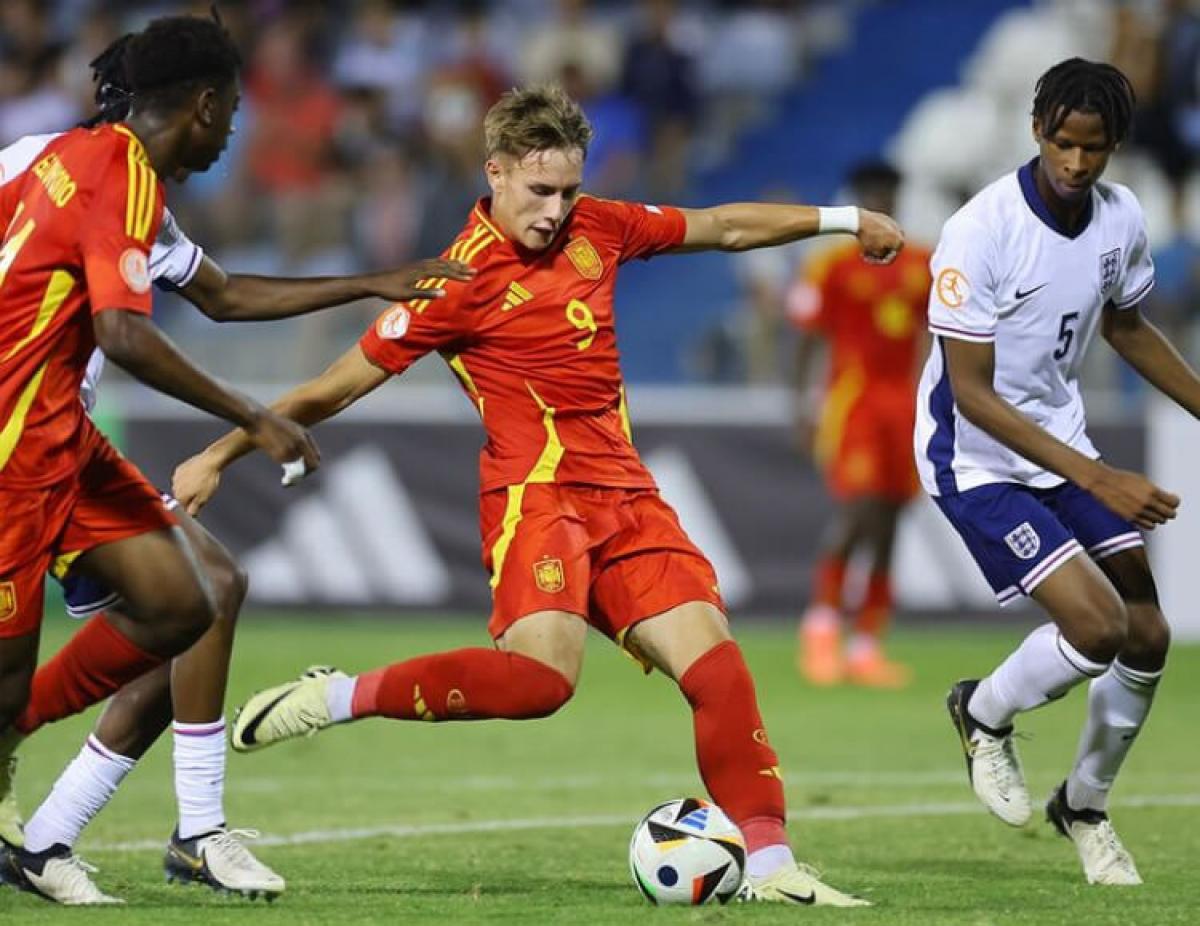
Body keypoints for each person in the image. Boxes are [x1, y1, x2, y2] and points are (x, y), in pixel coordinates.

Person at [174, 84, 903, 907]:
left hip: (627, 496)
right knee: (542, 684)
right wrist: (220, 451)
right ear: (495, 173)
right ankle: (336, 696)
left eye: (568, 191)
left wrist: (843, 221)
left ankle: (772, 868)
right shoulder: (454, 281)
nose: (556, 211)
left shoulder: (603, 226)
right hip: (536, 500)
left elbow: (723, 227)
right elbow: (332, 388)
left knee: (719, 666)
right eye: (539, 191)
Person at [0, 17, 468, 906]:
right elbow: (123, 333)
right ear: (206, 105)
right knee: (17, 685)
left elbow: (219, 294)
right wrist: (254, 415)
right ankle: (35, 778)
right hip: (13, 458)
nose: (232, 136)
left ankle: (171, 830)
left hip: (61, 437)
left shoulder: (54, 155)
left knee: (202, 591)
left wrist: (367, 282)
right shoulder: (119, 179)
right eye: (233, 115)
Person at [914, 58, 1196, 885]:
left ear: (1115, 148)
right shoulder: (981, 231)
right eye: (1064, 144)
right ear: (1037, 130)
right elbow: (971, 394)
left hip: (1057, 443)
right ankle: (982, 710)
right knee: (1098, 628)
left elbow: (1128, 326)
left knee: (1148, 631)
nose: (1076, 165)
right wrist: (1102, 478)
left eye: (1095, 149)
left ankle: (1085, 803)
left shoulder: (1119, 217)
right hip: (977, 459)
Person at [790, 162, 931, 689]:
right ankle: (822, 628)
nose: (883, 202)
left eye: (889, 194)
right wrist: (801, 410)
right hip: (854, 402)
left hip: (905, 406)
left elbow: (938, 338)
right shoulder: (831, 265)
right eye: (873, 195)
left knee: (891, 520)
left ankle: (868, 643)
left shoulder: (924, 262)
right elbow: (805, 341)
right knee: (860, 510)